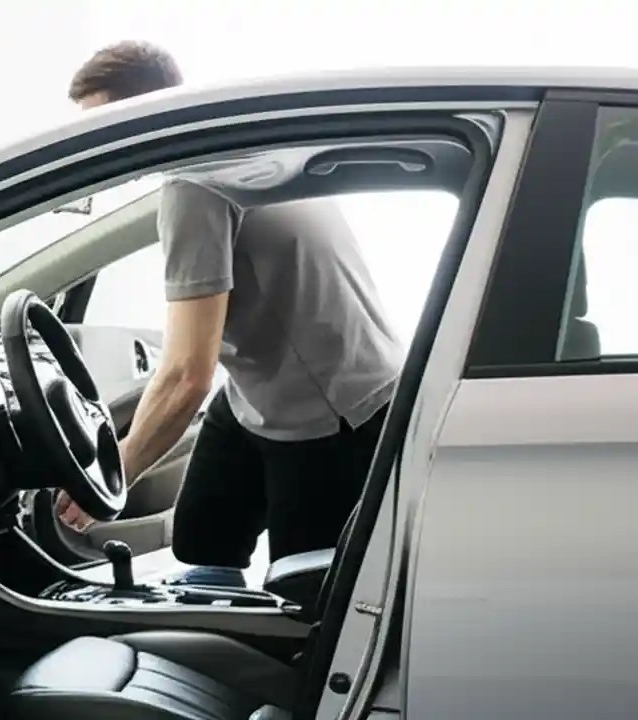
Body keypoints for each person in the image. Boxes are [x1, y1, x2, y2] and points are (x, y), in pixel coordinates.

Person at [55, 41, 401, 586]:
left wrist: (112, 475)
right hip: (275, 391)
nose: (98, 148)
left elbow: (188, 374)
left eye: (104, 126)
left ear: (144, 113)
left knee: (303, 596)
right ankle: (210, 617)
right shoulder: (246, 145)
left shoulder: (193, 188)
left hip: (327, 416)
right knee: (202, 539)